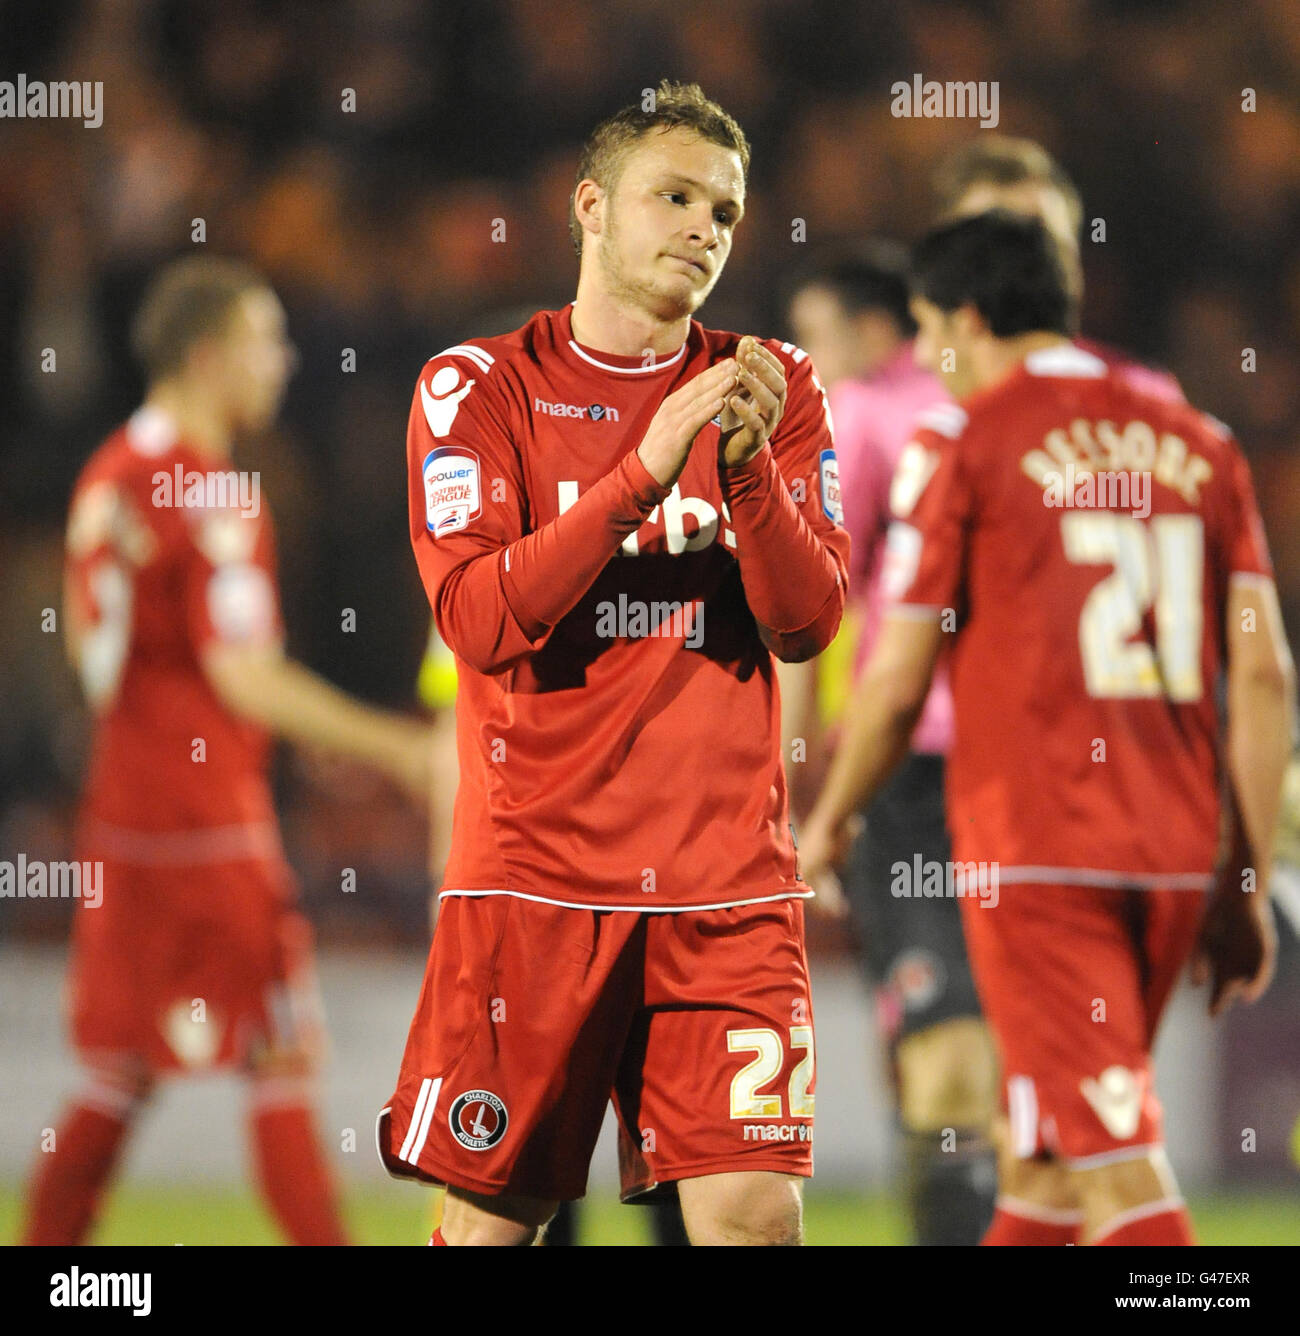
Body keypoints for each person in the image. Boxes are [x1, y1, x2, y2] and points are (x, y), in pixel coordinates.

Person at [376, 80, 849, 1246]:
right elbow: (479, 620)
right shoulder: (478, 388)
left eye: (725, 212)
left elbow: (807, 622)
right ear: (591, 206)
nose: (703, 228)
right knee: (495, 1226)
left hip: (726, 887)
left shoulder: (771, 382)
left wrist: (744, 468)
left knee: (752, 1219)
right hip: (534, 885)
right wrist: (641, 472)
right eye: (674, 196)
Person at [798, 212, 1292, 1245]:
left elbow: (895, 678)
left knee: (1114, 1166)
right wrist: (1240, 871)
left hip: (1038, 858)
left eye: (933, 331)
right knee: (1045, 1163)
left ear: (968, 319)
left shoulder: (970, 444)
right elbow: (1260, 674)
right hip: (1169, 851)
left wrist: (830, 814)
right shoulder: (1198, 444)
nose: (933, 360)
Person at [24, 256, 432, 1246]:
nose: (284, 362)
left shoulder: (110, 472)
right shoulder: (210, 493)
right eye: (266, 339)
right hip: (207, 828)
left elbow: (90, 662)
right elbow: (246, 676)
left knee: (121, 1064)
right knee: (282, 1052)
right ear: (209, 356)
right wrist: (400, 749)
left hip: (123, 818)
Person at [784, 244, 996, 1245]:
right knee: (998, 1050)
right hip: (1033, 771)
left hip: (909, 771)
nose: (805, 368)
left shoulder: (859, 418)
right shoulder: (1022, 417)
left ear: (875, 335)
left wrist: (795, 784)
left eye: (816, 341)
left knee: (936, 1050)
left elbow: (805, 610)